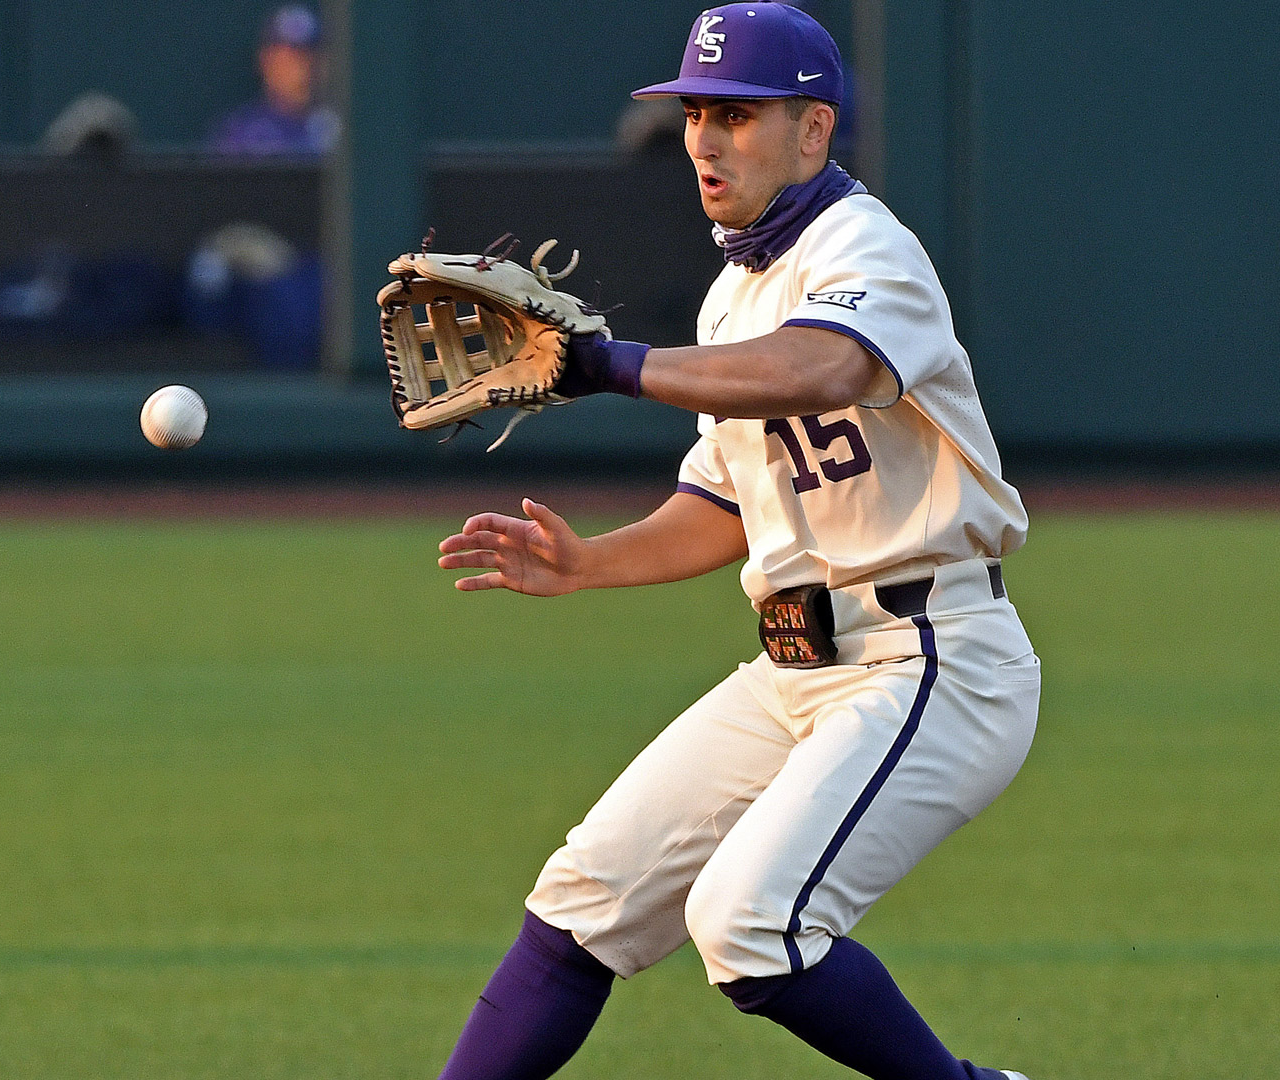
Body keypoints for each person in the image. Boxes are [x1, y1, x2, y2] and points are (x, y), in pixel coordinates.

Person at [431, 5, 1040, 1079]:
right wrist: (590, 564)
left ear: (813, 130)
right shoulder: (732, 296)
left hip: (933, 660)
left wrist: (610, 365)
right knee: (584, 902)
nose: (704, 140)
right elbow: (727, 506)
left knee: (752, 925)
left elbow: (825, 370)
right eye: (696, 113)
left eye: (738, 115)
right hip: (796, 669)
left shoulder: (866, 249)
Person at [208, 4, 337, 156]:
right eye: (292, 59)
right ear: (266, 61)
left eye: (312, 58)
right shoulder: (242, 134)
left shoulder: (341, 128)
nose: (305, 69)